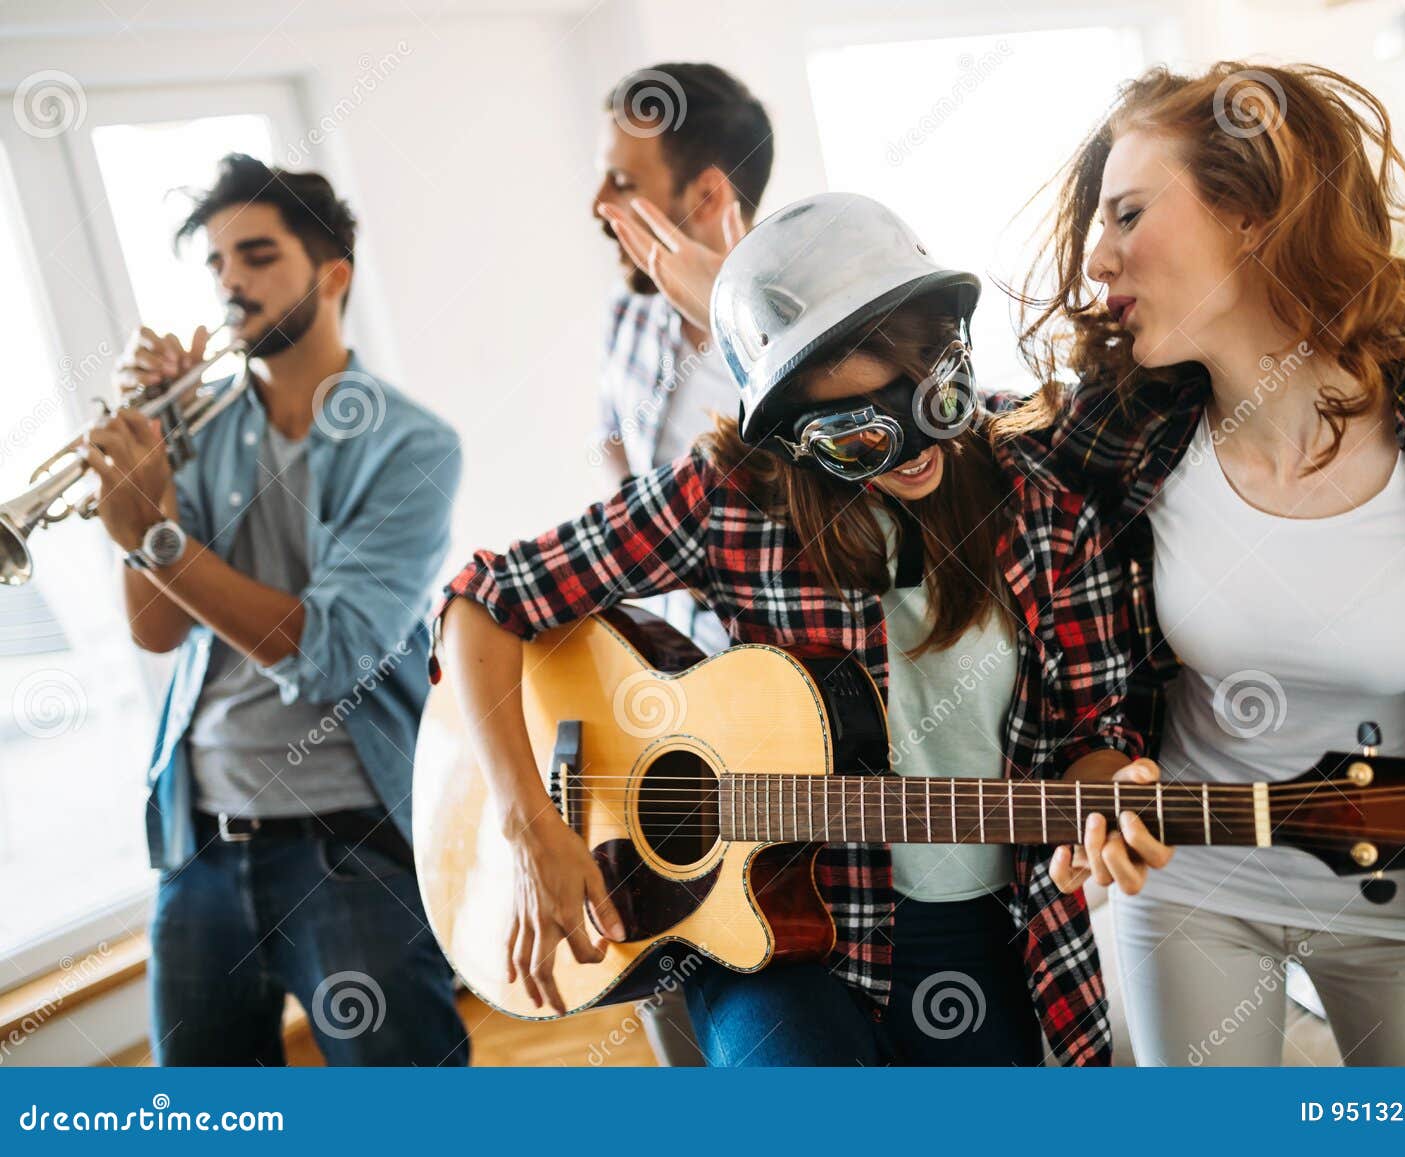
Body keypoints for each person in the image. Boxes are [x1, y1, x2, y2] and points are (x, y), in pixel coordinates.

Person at [430, 192, 1163, 1066]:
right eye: (860, 439)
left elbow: (1097, 729)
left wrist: (1108, 791)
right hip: (780, 928)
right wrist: (528, 823)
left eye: (937, 396)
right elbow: (481, 598)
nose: (913, 449)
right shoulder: (730, 500)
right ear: (795, 438)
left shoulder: (1042, 497)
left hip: (991, 929)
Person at [1027, 61, 1405, 1065]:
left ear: (1250, 212)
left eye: (1125, 215)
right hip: (1197, 886)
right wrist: (1096, 777)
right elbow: (1079, 699)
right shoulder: (1114, 438)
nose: (1096, 261)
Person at [87, 153, 469, 1065]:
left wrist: (160, 537)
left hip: (351, 848)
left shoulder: (413, 444)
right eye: (218, 265)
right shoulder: (202, 424)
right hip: (201, 846)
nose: (231, 285)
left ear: (333, 275)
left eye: (257, 257)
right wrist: (162, 461)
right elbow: (156, 627)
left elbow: (330, 653)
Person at [591, 61, 773, 656]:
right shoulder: (630, 311)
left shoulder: (810, 334)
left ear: (708, 194)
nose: (597, 205)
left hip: (794, 675)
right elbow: (615, 441)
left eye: (622, 181)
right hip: (676, 664)